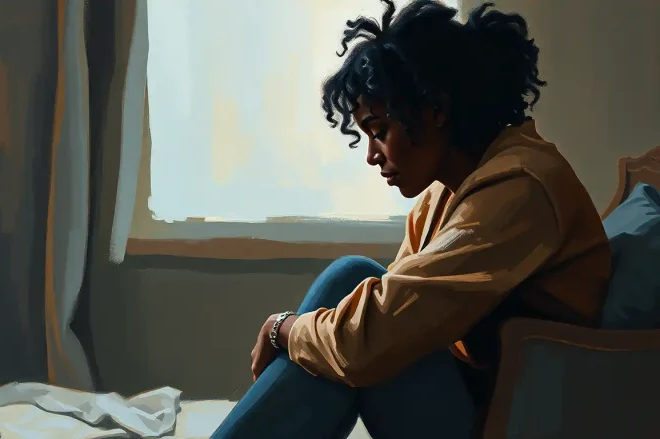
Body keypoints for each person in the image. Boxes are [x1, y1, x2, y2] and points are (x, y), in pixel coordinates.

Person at [211, 1, 612, 438]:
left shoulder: (520, 187)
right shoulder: (447, 191)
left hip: (515, 419)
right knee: (352, 287)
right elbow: (386, 318)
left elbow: (369, 340)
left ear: (436, 109)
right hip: (480, 398)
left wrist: (281, 329)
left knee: (353, 295)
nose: (371, 155)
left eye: (379, 131)